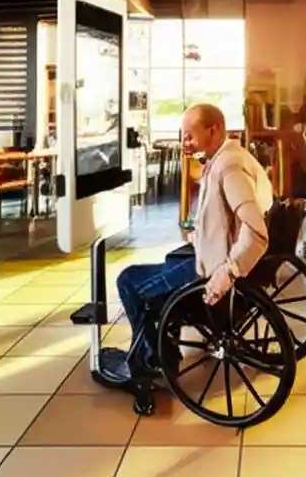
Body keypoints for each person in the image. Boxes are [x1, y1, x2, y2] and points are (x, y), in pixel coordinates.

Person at [115, 103, 273, 372]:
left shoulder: (230, 167)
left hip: (211, 269)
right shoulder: (232, 156)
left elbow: (256, 231)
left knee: (128, 280)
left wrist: (229, 272)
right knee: (171, 256)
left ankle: (155, 359)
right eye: (182, 135)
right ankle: (159, 349)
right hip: (215, 253)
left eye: (189, 135)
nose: (183, 142)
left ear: (215, 130)